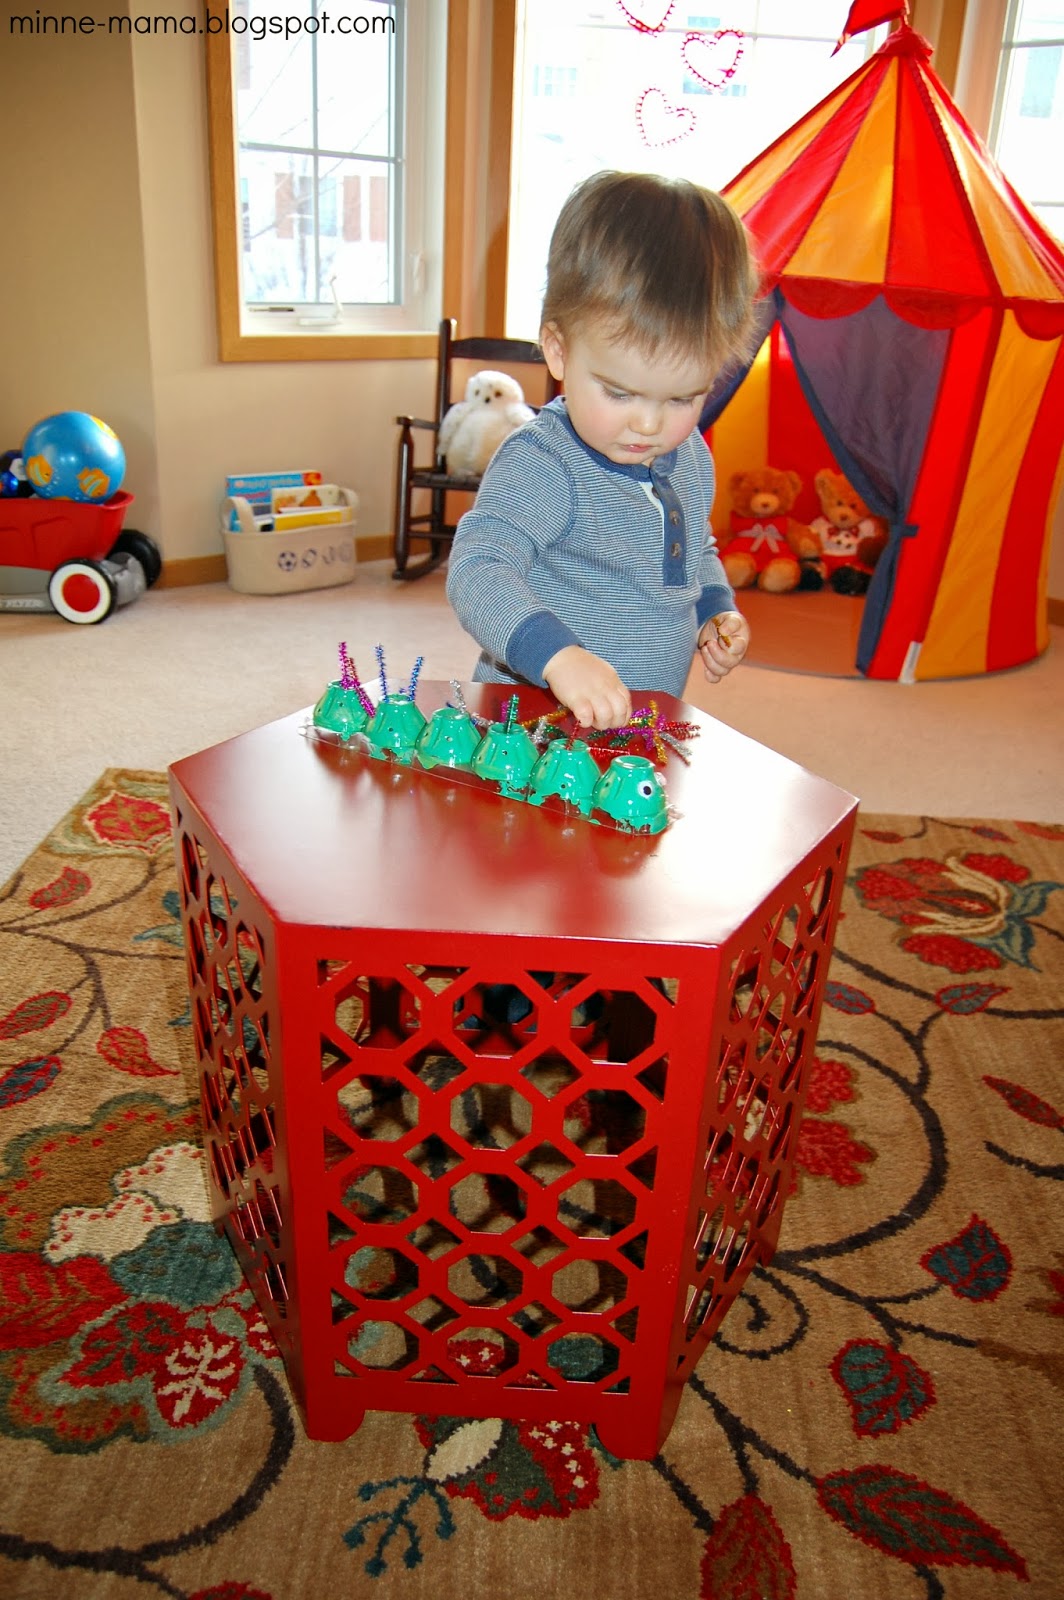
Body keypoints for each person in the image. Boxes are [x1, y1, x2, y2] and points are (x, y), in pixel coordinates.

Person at [446, 170, 759, 730]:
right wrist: (557, 656)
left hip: (641, 716)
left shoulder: (689, 455)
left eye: (684, 397)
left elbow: (694, 548)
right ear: (558, 350)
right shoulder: (543, 462)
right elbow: (478, 569)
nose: (649, 423)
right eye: (619, 392)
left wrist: (716, 607)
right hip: (534, 722)